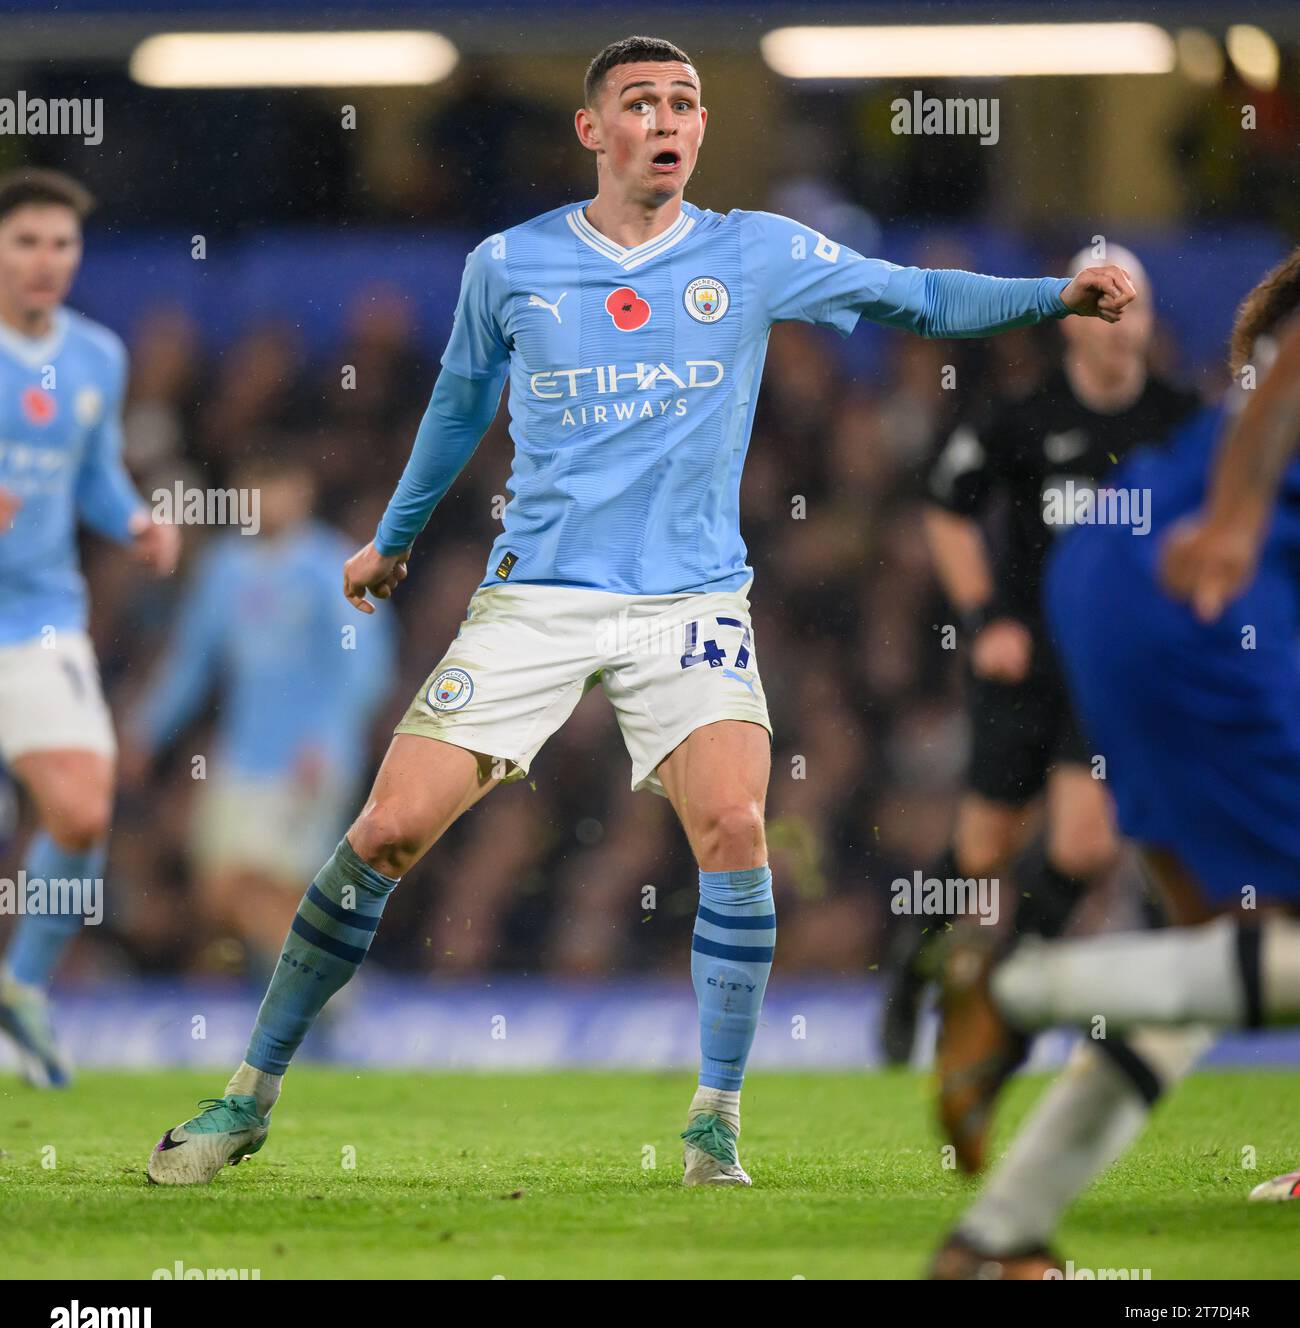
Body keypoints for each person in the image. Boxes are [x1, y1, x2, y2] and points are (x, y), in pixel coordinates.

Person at [145, 34, 1136, 1187]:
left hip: (690, 602)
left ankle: (712, 1124)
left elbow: (914, 297)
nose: (669, 120)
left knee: (737, 826)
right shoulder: (507, 266)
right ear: (592, 130)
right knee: (383, 832)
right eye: (642, 102)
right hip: (538, 598)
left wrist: (1051, 294)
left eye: (686, 103)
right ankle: (248, 1094)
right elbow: (458, 413)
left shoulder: (753, 252)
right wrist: (394, 538)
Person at [932, 248, 1300, 1278]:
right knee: (1267, 947)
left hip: (1126, 587)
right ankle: (1016, 985)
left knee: (1216, 954)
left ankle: (996, 1237)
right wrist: (1231, 525)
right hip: (1193, 591)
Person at [880, 245, 1197, 1064]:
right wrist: (985, 617)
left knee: (1086, 846)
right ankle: (913, 974)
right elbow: (947, 507)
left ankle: (1003, 999)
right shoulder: (1022, 414)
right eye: (1110, 304)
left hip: (1113, 674)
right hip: (1028, 665)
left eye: (1140, 306)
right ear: (1075, 319)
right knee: (985, 848)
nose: (1125, 324)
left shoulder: (1180, 425)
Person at [0, 169, 179, 1086]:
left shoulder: (96, 356)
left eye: (61, 244)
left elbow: (94, 473)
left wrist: (137, 521)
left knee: (79, 807)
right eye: (27, 241)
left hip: (37, 616)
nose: (45, 261)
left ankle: (21, 987)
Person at [122, 449, 395, 977]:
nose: (268, 503)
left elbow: (367, 670)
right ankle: (324, 993)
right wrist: (145, 732)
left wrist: (328, 739)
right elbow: (191, 661)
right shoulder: (225, 569)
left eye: (279, 488)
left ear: (303, 492)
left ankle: (326, 999)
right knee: (220, 891)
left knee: (273, 884)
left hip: (307, 759)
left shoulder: (333, 566)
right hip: (241, 758)